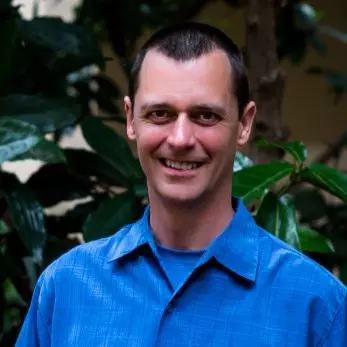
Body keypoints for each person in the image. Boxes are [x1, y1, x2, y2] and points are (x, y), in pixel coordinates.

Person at [16, 22, 346, 347]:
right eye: (160, 114)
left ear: (244, 125)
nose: (180, 138)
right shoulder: (66, 289)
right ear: (131, 119)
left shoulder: (317, 307)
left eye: (205, 116)